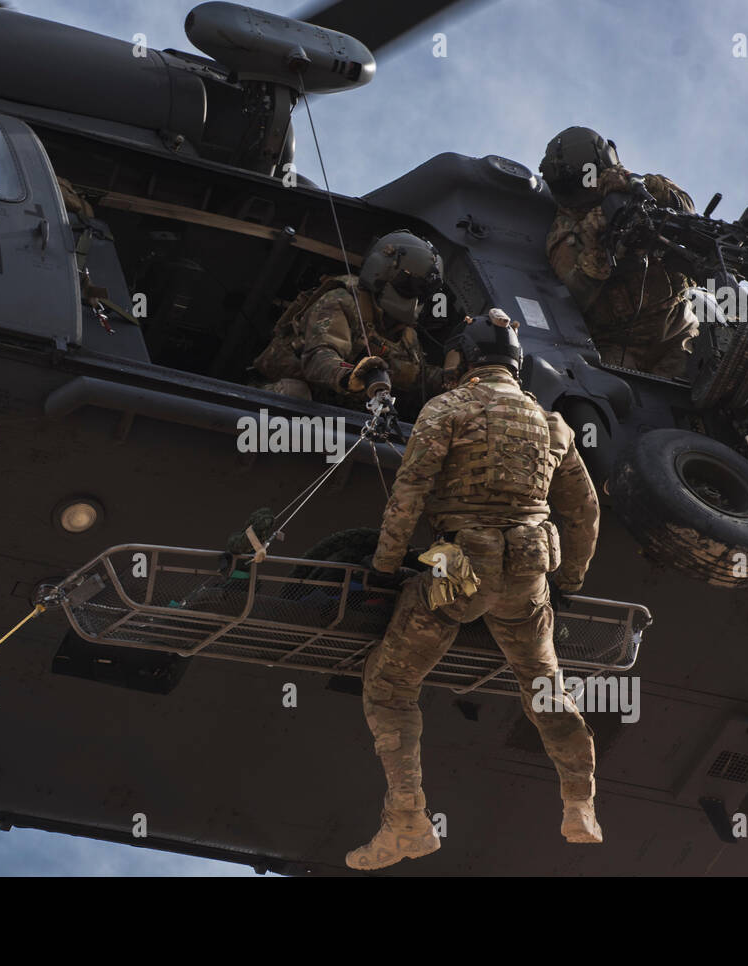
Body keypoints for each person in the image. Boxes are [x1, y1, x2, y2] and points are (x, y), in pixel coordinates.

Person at [346, 309, 602, 871]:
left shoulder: (446, 410)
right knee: (545, 689)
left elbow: (408, 496)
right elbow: (583, 512)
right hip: (529, 576)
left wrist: (385, 568)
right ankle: (578, 803)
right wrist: (570, 581)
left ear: (461, 359)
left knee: (389, 688)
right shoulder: (551, 422)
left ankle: (408, 821)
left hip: (458, 573)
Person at [541, 126, 699, 378]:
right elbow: (574, 297)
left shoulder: (637, 188)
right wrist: (596, 246)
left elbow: (686, 209)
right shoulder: (566, 234)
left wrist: (644, 187)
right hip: (622, 346)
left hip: (677, 327)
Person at [252, 230, 448, 409]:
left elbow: (418, 380)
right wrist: (348, 377)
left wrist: (454, 380)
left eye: (423, 293)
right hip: (291, 398)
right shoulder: (342, 301)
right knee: (294, 392)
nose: (415, 299)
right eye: (411, 287)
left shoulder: (406, 334)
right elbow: (319, 355)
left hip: (342, 416)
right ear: (382, 271)